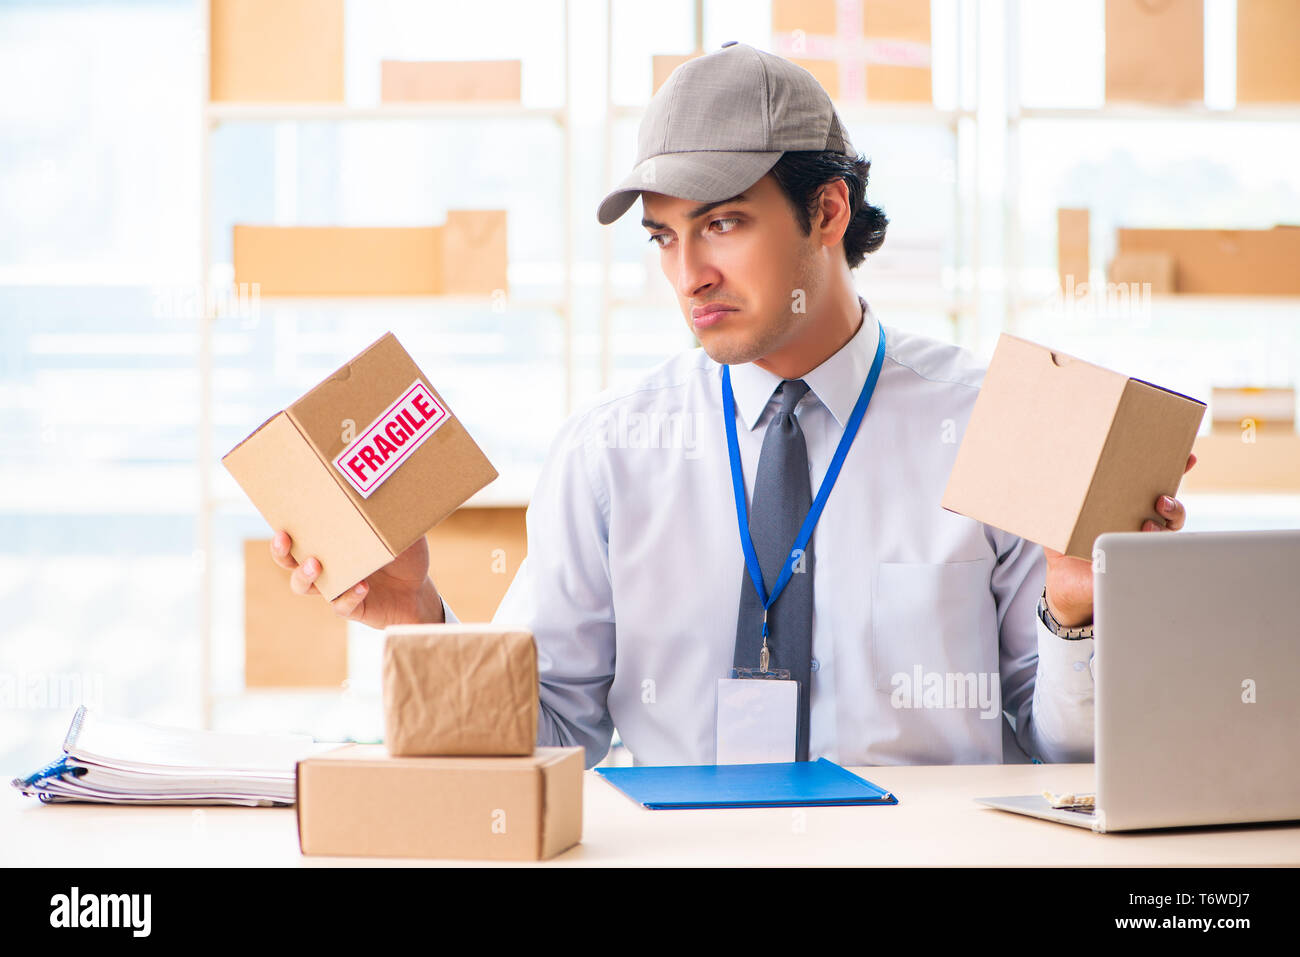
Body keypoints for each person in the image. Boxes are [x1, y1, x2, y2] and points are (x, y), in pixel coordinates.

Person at [269, 42, 1194, 769]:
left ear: (828, 212)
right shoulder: (611, 452)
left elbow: (1069, 757)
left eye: (723, 223)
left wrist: (1076, 607)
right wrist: (413, 619)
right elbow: (547, 735)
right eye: (664, 236)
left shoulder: (991, 425)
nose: (688, 274)